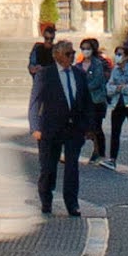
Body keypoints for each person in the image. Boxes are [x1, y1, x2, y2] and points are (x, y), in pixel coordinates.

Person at [29, 37, 97, 217]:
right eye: (68, 54)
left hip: (74, 128)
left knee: (72, 167)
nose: (72, 57)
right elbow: (35, 102)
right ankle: (46, 199)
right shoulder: (45, 74)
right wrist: (35, 127)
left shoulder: (79, 74)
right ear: (57, 55)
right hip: (51, 128)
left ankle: (72, 203)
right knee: (48, 168)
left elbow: (87, 102)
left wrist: (89, 126)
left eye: (73, 53)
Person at [78, 37, 111, 162]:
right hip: (83, 101)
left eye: (88, 48)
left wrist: (83, 88)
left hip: (96, 100)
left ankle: (100, 152)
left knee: (96, 127)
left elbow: (97, 81)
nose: (85, 51)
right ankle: (75, 151)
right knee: (82, 127)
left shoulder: (97, 64)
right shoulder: (79, 65)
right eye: (83, 48)